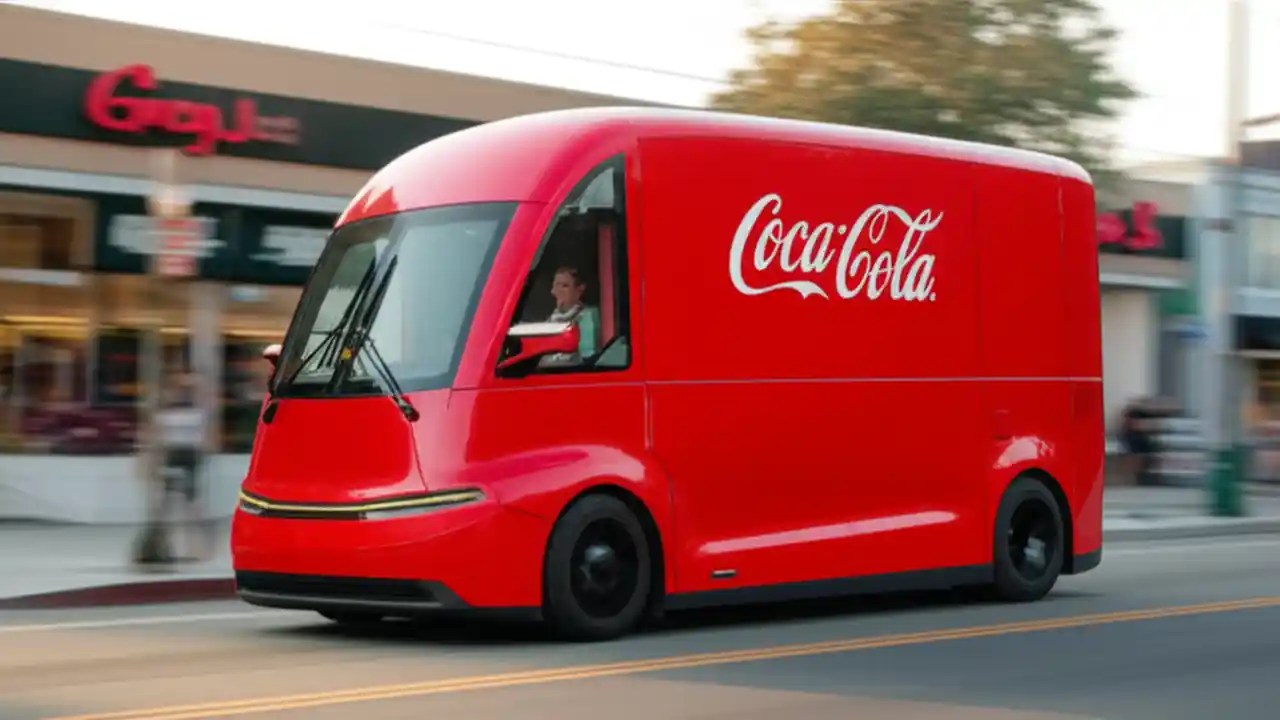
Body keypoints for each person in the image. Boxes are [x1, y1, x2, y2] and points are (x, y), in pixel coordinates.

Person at [540, 266, 600, 367]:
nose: (558, 291)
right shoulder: (552, 318)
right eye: (556, 286)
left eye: (564, 286)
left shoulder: (587, 316)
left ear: (579, 289)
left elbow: (587, 357)